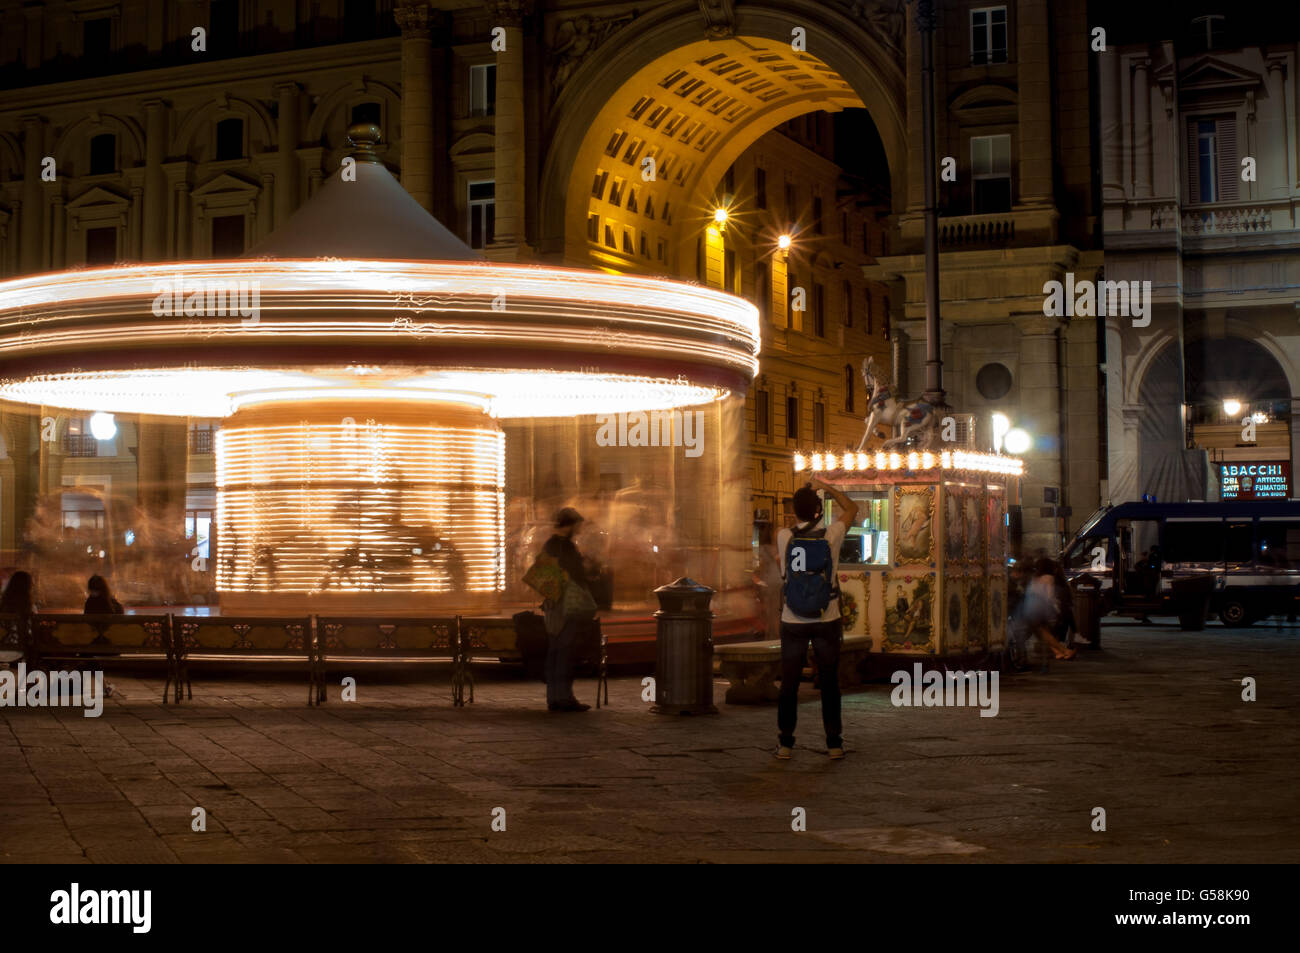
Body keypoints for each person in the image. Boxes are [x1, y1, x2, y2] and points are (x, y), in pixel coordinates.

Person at [775, 477, 858, 760]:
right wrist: (828, 486)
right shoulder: (831, 535)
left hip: (792, 619)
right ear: (818, 510)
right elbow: (853, 508)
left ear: (794, 511)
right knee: (830, 681)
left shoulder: (783, 536)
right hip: (827, 617)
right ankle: (834, 743)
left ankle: (786, 744)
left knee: (789, 683)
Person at [540, 507, 595, 712]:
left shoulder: (549, 545)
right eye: (576, 526)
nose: (578, 530)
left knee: (555, 650)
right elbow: (577, 575)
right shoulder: (566, 547)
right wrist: (588, 569)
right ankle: (565, 698)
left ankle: (553, 697)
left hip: (552, 603)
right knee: (566, 650)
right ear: (569, 525)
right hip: (568, 605)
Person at [1009, 558, 1076, 666]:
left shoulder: (1035, 578)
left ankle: (1058, 651)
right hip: (1040, 607)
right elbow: (1049, 596)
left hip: (1030, 607)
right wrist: (1055, 609)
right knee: (1042, 631)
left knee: (1040, 632)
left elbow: (1030, 592)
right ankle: (1063, 651)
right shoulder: (1049, 578)